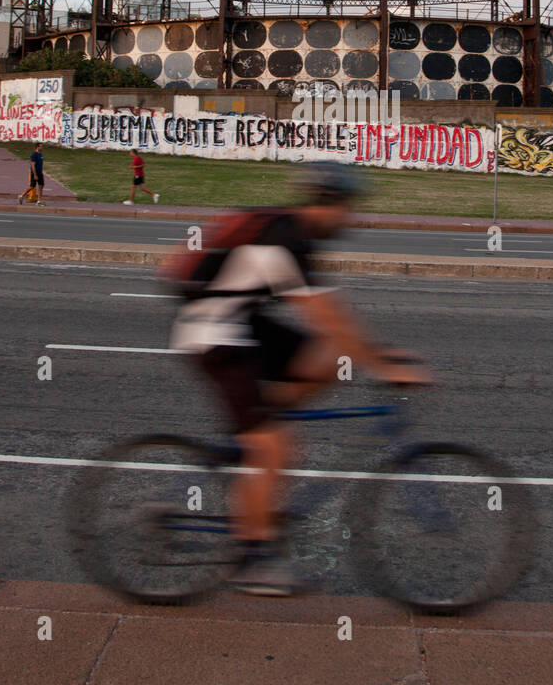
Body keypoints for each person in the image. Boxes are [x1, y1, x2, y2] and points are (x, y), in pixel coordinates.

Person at [165, 162, 428, 597]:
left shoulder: (294, 234)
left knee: (326, 359)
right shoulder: (284, 238)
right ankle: (254, 561)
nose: (352, 220)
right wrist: (384, 366)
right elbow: (325, 315)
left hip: (243, 322)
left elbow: (335, 328)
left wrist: (378, 354)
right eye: (349, 209)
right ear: (329, 204)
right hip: (211, 333)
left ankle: (259, 428)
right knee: (275, 446)